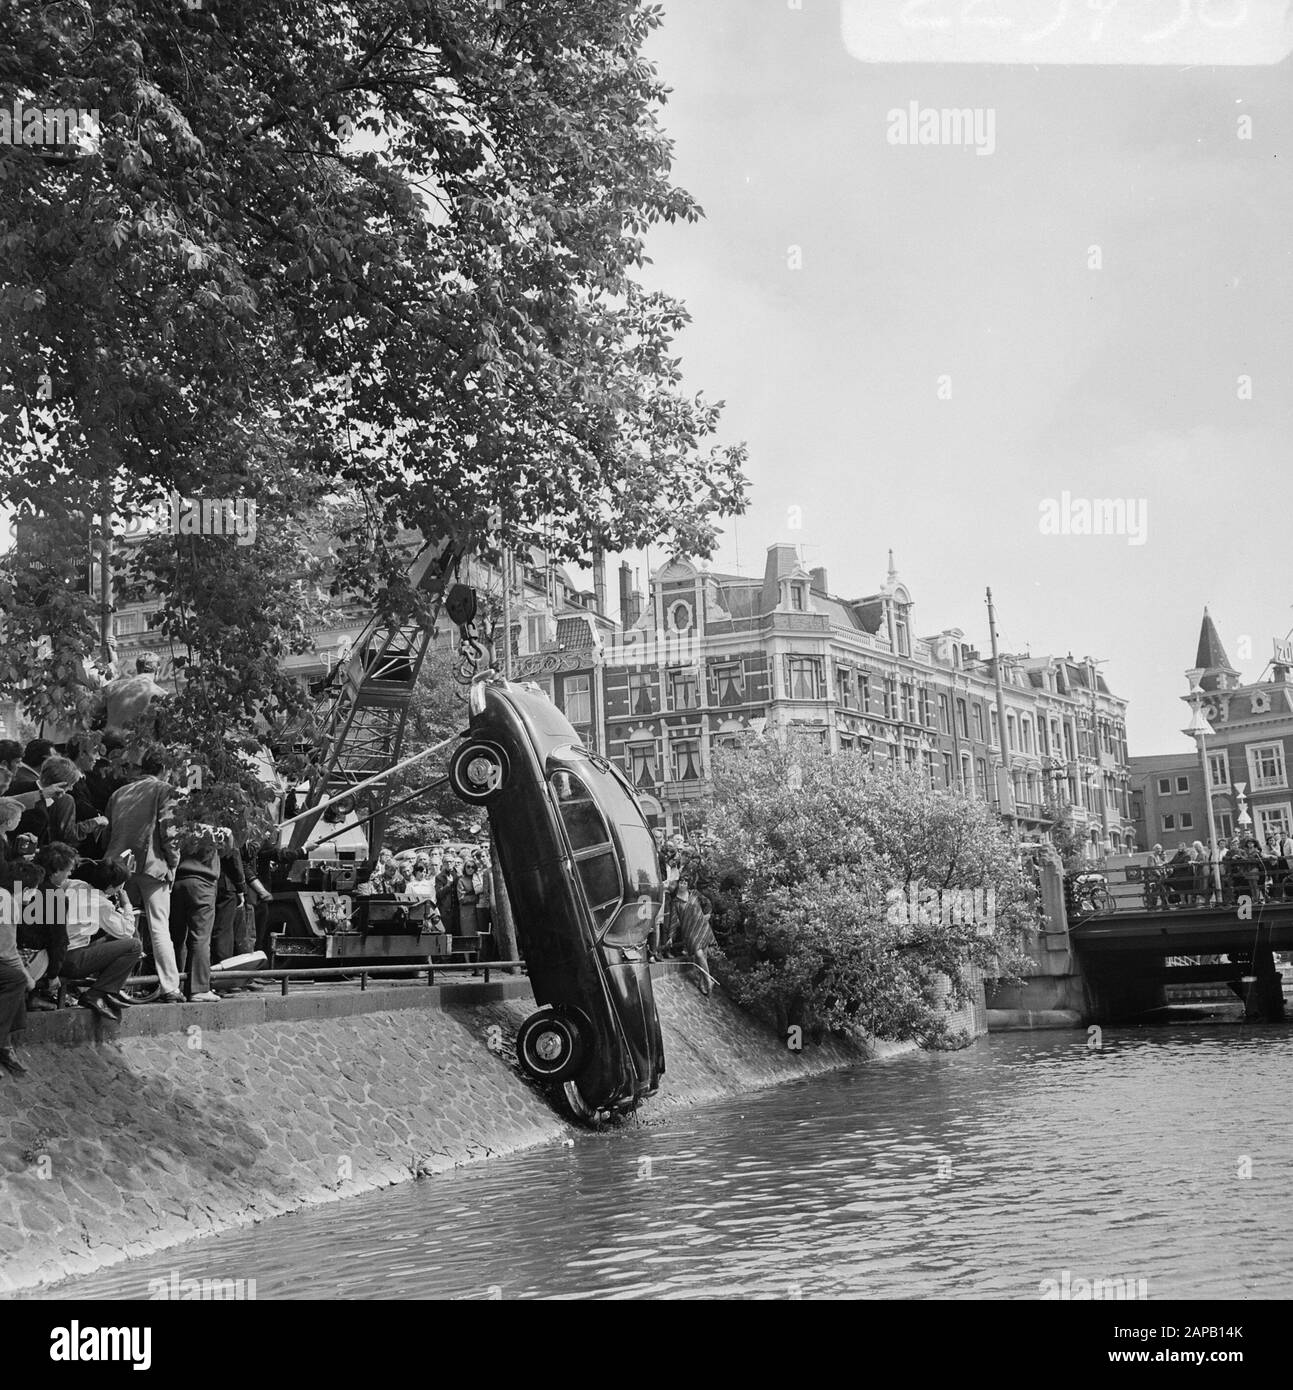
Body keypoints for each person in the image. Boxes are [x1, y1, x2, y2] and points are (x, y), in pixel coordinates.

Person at [104, 751, 183, 1003]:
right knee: (159, 927)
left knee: (117, 925)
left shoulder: (119, 793)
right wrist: (173, 864)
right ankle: (170, 987)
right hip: (152, 865)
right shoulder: (166, 790)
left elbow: (107, 832)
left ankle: (109, 983)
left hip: (119, 865)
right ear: (166, 769)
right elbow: (170, 832)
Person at [58, 849, 143, 1021]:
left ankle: (108, 991)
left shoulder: (76, 885)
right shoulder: (101, 903)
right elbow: (126, 931)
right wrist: (127, 905)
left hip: (60, 952)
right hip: (71, 959)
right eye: (120, 885)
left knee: (114, 938)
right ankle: (98, 993)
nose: (121, 888)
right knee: (135, 945)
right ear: (112, 887)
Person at [170, 826, 227, 1003]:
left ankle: (173, 986)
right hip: (203, 884)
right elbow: (228, 849)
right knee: (200, 937)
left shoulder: (181, 818)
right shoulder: (217, 822)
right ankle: (198, 988)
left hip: (178, 881)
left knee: (174, 937)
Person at [673, 879, 716, 997]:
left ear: (688, 885)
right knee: (699, 955)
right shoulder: (675, 900)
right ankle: (708, 980)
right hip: (689, 931)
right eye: (681, 882)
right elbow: (674, 920)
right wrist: (671, 937)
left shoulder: (695, 894)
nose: (682, 885)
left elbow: (708, 903)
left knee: (704, 957)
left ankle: (702, 983)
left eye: (685, 883)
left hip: (701, 926)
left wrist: (707, 914)